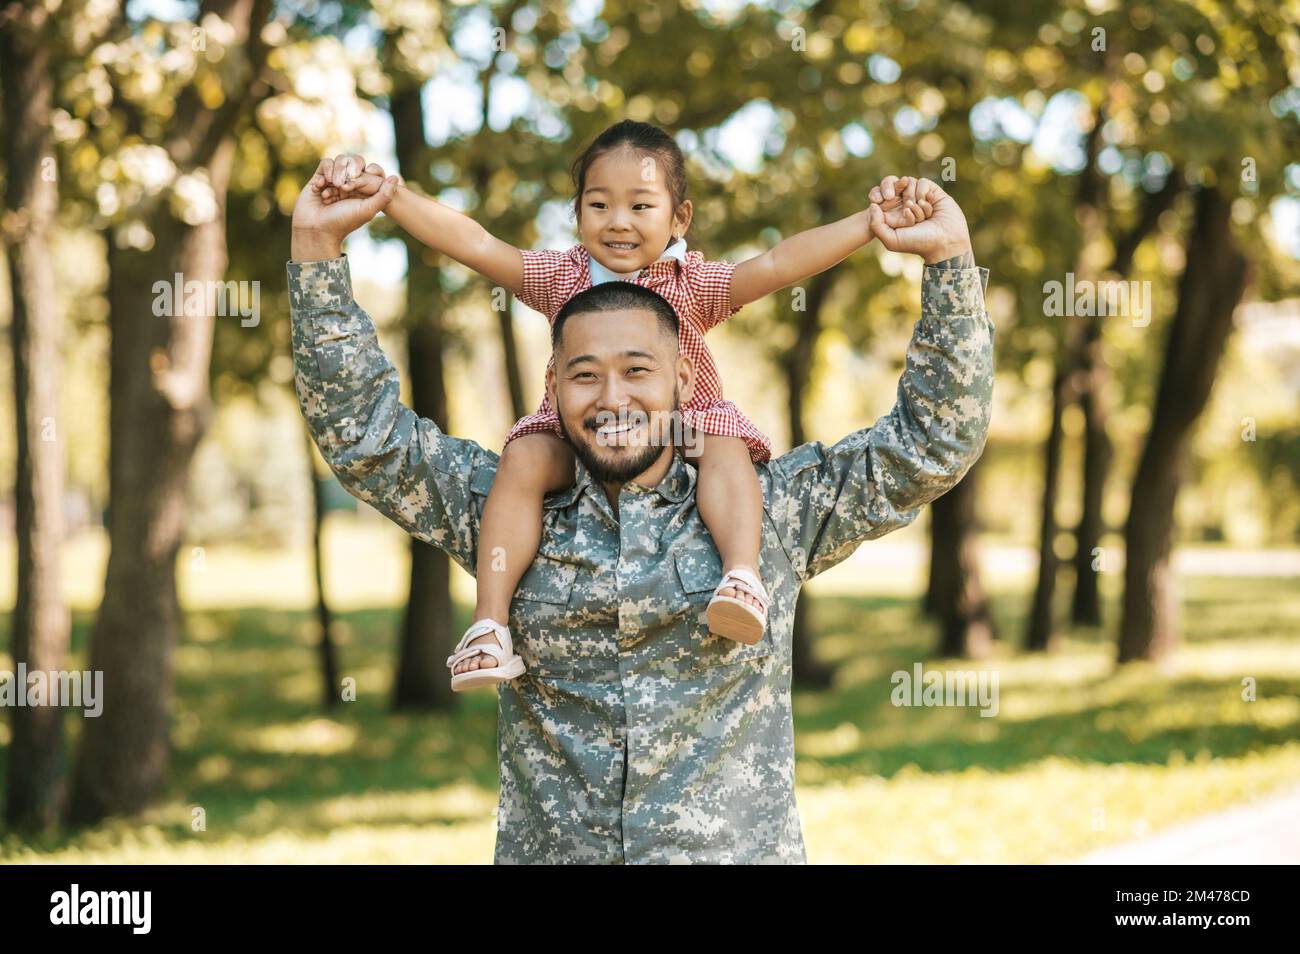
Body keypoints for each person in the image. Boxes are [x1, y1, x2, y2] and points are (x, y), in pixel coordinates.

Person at [288, 161, 993, 863]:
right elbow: (365, 437)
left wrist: (950, 261)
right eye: (585, 374)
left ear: (685, 380)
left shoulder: (768, 509)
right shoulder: (506, 511)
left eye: (638, 370)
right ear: (553, 385)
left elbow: (931, 441)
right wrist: (318, 252)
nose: (612, 398)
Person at [312, 122, 934, 691]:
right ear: (577, 213)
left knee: (723, 447)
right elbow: (474, 243)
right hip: (574, 432)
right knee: (523, 459)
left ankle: (742, 576)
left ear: (679, 217)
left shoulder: (694, 283)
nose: (618, 221)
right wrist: (391, 195)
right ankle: (489, 625)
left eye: (641, 205)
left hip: (683, 428)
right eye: (599, 204)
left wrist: (866, 226)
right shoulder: (561, 278)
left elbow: (776, 263)